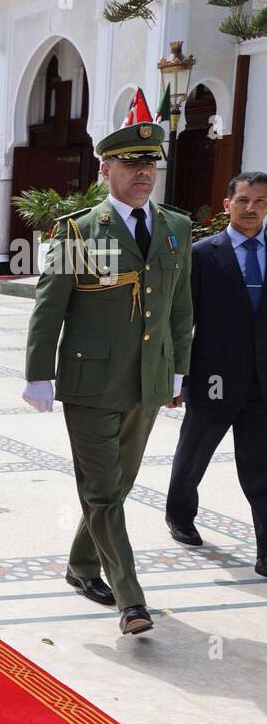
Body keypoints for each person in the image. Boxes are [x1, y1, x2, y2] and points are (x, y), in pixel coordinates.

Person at [23, 120, 193, 635]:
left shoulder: (176, 227)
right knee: (102, 490)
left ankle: (81, 565)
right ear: (106, 169)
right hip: (89, 382)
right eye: (131, 163)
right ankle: (131, 600)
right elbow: (48, 307)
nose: (144, 173)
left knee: (114, 488)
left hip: (149, 379)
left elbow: (179, 305)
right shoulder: (75, 230)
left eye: (150, 164)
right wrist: (38, 374)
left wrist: (180, 368)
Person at [166, 172, 267, 571]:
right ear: (227, 204)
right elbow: (181, 321)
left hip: (261, 383)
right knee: (194, 454)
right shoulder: (203, 254)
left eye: (259, 201)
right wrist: (176, 376)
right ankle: (179, 514)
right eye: (243, 200)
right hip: (213, 378)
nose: (250, 208)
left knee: (260, 468)